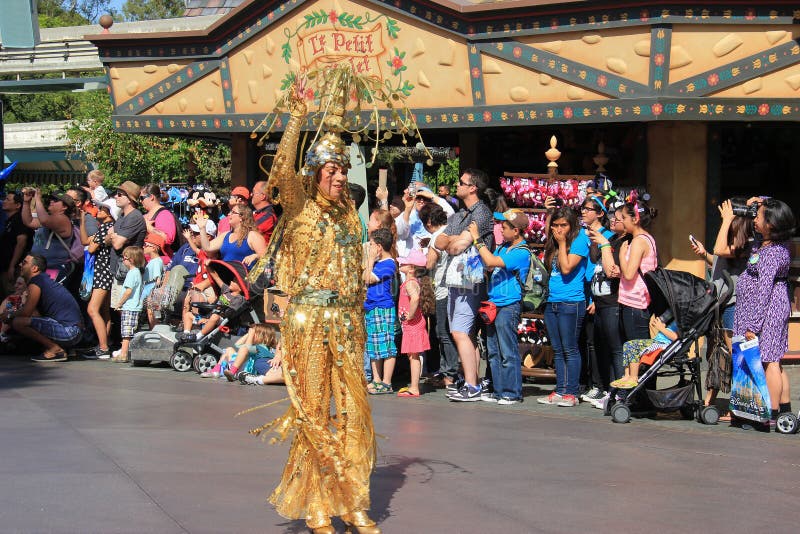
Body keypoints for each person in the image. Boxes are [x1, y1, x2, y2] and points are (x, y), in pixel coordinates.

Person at [252, 82, 378, 534]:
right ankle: (318, 503)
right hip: (307, 320)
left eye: (343, 169)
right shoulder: (301, 205)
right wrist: (296, 120)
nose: (340, 177)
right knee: (311, 409)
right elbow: (282, 169)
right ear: (315, 173)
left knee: (352, 408)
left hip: (346, 321)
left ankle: (353, 500)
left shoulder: (348, 214)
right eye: (331, 169)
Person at [433, 168, 494, 402]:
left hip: (471, 281)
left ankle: (472, 385)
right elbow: (440, 240)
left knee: (459, 331)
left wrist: (453, 241)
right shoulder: (459, 214)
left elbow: (459, 246)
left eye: (461, 182)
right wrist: (453, 240)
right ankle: (472, 381)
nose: (456, 185)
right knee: (463, 332)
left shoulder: (482, 213)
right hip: (455, 280)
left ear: (472, 188)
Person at [733, 197, 795, 426]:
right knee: (775, 360)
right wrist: (761, 200)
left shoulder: (772, 253)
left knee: (769, 361)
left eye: (758, 217)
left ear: (771, 224)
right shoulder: (765, 243)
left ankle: (771, 413)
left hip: (769, 310)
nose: (754, 220)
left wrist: (753, 325)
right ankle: (783, 410)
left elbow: (763, 292)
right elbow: (773, 206)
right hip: (770, 309)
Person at [690, 198, 753, 413]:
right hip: (720, 302)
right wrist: (704, 255)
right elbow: (717, 259)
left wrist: (727, 219)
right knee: (717, 353)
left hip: (732, 303)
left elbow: (719, 249)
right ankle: (711, 400)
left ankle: (741, 405)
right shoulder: (732, 244)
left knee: (735, 355)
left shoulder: (744, 243)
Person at [469, 209, 530, 405]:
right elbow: (490, 265)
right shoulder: (504, 248)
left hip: (508, 305)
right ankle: (498, 390)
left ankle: (512, 392)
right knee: (493, 350)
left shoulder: (522, 252)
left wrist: (477, 239)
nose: (500, 230)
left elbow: (491, 261)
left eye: (504, 227)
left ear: (517, 231)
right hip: (493, 304)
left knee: (507, 350)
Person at [536, 206, 590, 407]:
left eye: (563, 225)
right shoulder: (554, 242)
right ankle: (560, 390)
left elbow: (567, 268)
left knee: (570, 348)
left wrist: (562, 242)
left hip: (571, 301)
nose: (559, 229)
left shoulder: (580, 239)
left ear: (572, 225)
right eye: (556, 226)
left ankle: (572, 393)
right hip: (553, 301)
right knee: (557, 350)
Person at [586, 201, 628, 409]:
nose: (613, 220)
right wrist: (598, 241)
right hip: (601, 300)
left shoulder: (624, 242)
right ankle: (610, 391)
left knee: (616, 350)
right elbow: (596, 259)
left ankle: (618, 393)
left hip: (614, 301)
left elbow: (613, 271)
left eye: (618, 218)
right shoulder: (613, 239)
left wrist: (603, 242)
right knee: (606, 348)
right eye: (613, 216)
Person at [579, 196, 616, 405]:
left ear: (600, 213)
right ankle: (587, 383)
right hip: (582, 290)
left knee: (597, 343)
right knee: (585, 340)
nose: (583, 212)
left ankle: (600, 385)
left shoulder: (607, 236)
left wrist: (594, 297)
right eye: (582, 208)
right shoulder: (580, 234)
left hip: (601, 293)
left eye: (588, 209)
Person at [12, 255, 83, 362]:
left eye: (24, 262)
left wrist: (9, 315)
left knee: (18, 322)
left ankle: (55, 349)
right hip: (74, 330)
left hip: (70, 331)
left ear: (34, 268)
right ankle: (61, 348)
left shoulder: (36, 281)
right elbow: (36, 315)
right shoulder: (43, 281)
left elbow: (26, 312)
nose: (20, 265)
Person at [420, 203, 459, 388]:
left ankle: (449, 374)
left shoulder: (437, 237)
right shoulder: (450, 230)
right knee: (444, 332)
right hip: (453, 289)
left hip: (443, 290)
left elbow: (429, 264)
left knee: (443, 333)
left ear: (429, 222)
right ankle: (447, 371)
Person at [617, 196, 658, 344]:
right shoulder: (648, 238)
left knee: (634, 350)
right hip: (637, 301)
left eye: (624, 218)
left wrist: (622, 256)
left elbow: (629, 274)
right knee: (632, 350)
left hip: (635, 302)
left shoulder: (639, 241)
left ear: (635, 219)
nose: (622, 221)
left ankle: (635, 369)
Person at [363, 228, 397, 395]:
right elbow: (363, 277)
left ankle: (387, 382)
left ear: (378, 246)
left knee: (387, 345)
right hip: (371, 307)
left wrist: (369, 260)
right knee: (374, 345)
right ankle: (376, 380)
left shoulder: (389, 264)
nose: (368, 248)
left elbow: (368, 279)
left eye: (371, 245)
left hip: (383, 308)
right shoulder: (377, 263)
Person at [396, 249, 434, 398]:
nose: (401, 264)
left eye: (404, 262)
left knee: (413, 356)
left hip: (412, 325)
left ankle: (414, 387)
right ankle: (413, 385)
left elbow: (415, 299)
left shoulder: (410, 283)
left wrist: (410, 316)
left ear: (411, 268)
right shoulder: (412, 282)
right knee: (413, 356)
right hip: (412, 325)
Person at [81, 202, 116, 359]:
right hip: (107, 272)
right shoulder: (109, 226)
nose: (98, 211)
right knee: (104, 311)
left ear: (109, 213)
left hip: (102, 272)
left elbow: (91, 248)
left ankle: (103, 348)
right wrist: (83, 220)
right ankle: (105, 342)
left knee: (92, 309)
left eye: (102, 209)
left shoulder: (106, 227)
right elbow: (84, 240)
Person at [178, 266, 245, 342]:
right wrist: (208, 266)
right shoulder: (226, 290)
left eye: (234, 282)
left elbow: (228, 313)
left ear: (241, 287)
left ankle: (197, 337)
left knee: (214, 317)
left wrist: (207, 319)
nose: (231, 282)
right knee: (188, 315)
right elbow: (216, 278)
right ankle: (186, 334)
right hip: (210, 315)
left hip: (221, 319)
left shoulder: (239, 299)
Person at [611, 315, 678, 389]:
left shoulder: (681, 323)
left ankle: (633, 377)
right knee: (627, 344)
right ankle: (627, 375)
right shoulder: (675, 319)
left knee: (633, 347)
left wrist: (661, 328)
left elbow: (676, 337)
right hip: (657, 341)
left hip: (663, 344)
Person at [22, 189, 77, 279]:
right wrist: (26, 202)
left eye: (55, 200)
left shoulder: (63, 219)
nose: (51, 201)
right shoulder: (50, 218)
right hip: (38, 268)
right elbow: (29, 222)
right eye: (51, 199)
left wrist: (38, 199)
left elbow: (44, 220)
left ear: (64, 207)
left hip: (53, 269)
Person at [106, 181, 147, 298]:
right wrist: (114, 236)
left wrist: (113, 234)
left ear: (129, 199)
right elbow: (106, 240)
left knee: (126, 309)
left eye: (119, 194)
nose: (115, 196)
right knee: (118, 309)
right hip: (120, 271)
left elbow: (117, 244)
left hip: (128, 272)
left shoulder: (134, 217)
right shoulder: (122, 216)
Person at [198, 204, 266, 267]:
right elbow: (207, 248)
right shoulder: (226, 235)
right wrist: (202, 228)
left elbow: (266, 257)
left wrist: (256, 256)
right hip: (226, 276)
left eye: (233, 212)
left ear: (242, 217)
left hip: (244, 277)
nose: (228, 214)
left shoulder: (252, 235)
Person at [112, 246, 146, 363]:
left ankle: (124, 354)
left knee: (126, 334)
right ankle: (128, 353)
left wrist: (119, 303)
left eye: (124, 258)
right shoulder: (137, 272)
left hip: (130, 307)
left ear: (131, 260)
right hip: (135, 307)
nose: (123, 260)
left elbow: (128, 291)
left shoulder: (132, 273)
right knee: (131, 332)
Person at [0, 191, 33, 295]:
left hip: (12, 267)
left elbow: (21, 243)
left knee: (12, 294)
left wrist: (12, 266)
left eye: (8, 200)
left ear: (18, 205)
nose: (4, 201)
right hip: (5, 265)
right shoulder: (9, 220)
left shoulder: (19, 220)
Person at [141, 184, 178, 262]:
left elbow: (167, 239)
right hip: (145, 262)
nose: (140, 201)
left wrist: (149, 228)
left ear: (151, 197)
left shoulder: (164, 215)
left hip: (160, 263)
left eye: (142, 198)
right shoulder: (145, 215)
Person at [0, 276, 28, 342]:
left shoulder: (29, 300)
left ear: (27, 286)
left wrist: (24, 300)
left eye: (19, 284)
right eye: (16, 283)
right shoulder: (11, 298)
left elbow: (24, 314)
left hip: (14, 330)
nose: (15, 286)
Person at [142, 233, 166, 302]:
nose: (143, 247)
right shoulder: (153, 261)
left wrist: (151, 296)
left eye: (145, 245)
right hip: (146, 289)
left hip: (149, 292)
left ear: (154, 248)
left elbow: (157, 281)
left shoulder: (156, 262)